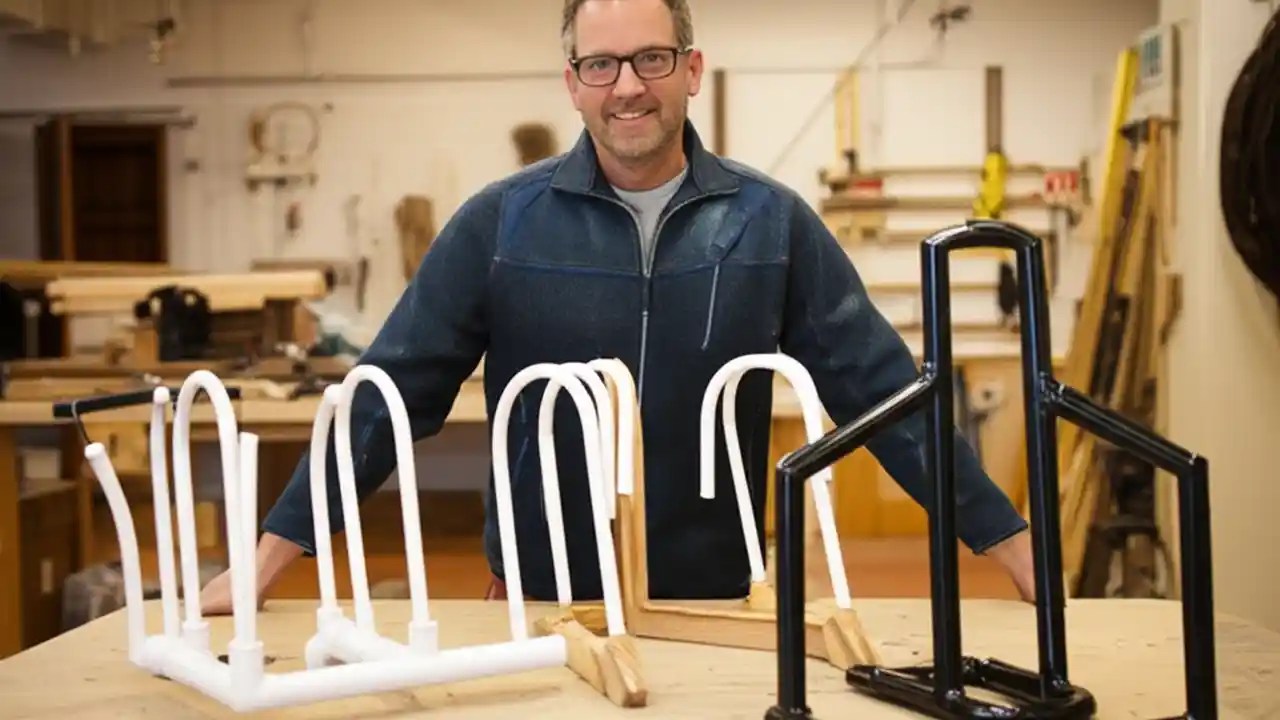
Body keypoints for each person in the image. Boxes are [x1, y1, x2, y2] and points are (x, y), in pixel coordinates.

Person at [200, 0, 1035, 613]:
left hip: (715, 600)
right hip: (541, 598)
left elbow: (886, 396)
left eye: (652, 59)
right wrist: (267, 561)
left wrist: (1017, 550)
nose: (627, 87)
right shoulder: (501, 223)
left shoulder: (768, 221)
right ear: (573, 83)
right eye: (601, 64)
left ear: (693, 70)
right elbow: (387, 396)